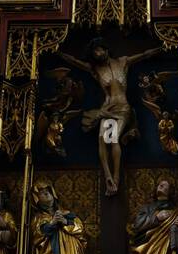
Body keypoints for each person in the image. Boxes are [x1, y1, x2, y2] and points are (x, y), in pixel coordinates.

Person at [59, 39, 161, 195]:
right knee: (103, 140)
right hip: (107, 109)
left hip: (122, 108)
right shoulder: (96, 69)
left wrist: (161, 48)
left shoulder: (123, 62)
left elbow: (144, 55)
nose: (98, 54)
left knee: (112, 139)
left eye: (100, 50)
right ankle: (108, 176)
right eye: (95, 52)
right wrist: (57, 52)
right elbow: (75, 62)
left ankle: (116, 177)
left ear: (106, 49)